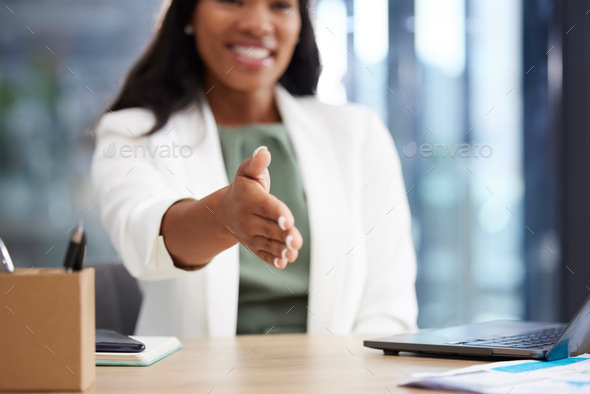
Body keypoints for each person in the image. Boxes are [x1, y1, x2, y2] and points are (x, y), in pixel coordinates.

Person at [91, 0, 418, 338]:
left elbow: (389, 309)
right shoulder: (131, 132)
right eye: (232, 1)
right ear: (189, 14)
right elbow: (142, 238)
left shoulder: (358, 132)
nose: (258, 25)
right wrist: (222, 217)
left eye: (280, 5)